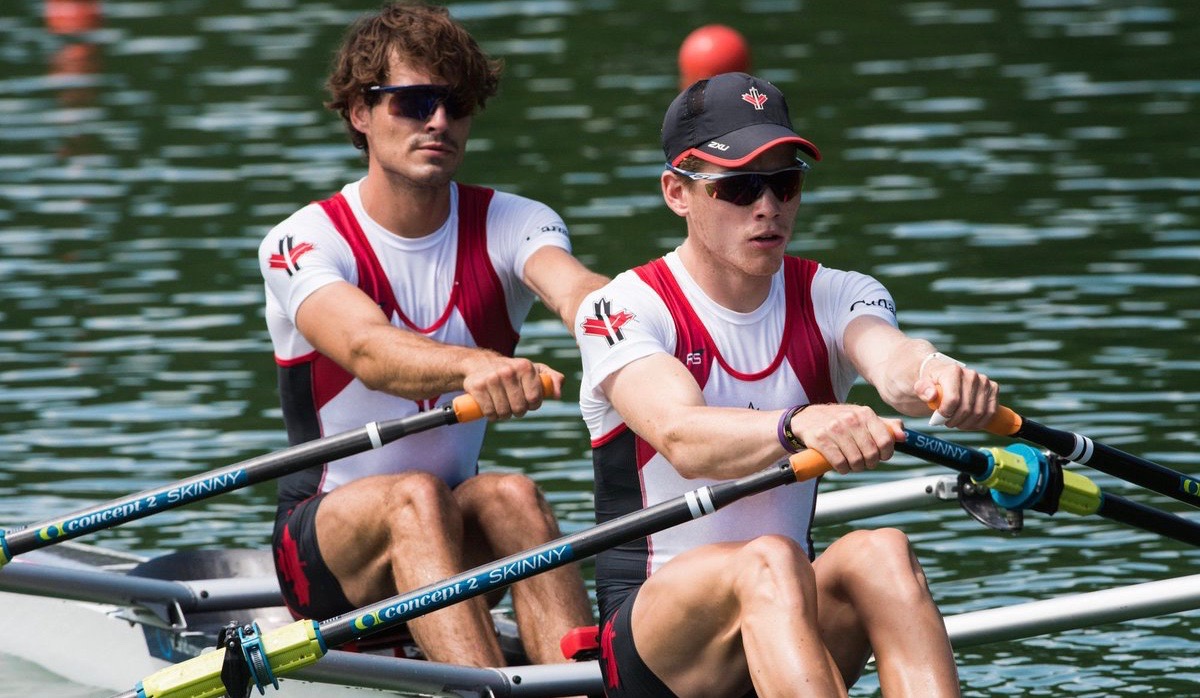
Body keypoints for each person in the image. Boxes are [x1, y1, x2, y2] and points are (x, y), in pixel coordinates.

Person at [575, 72, 999, 697]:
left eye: (785, 181)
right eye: (739, 186)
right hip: (656, 646)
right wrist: (796, 422)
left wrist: (936, 375)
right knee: (770, 558)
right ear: (677, 192)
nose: (767, 206)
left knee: (881, 550)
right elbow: (682, 435)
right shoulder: (621, 308)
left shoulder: (836, 293)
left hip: (786, 616)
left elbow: (893, 361)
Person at [258, 1, 603, 668]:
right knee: (415, 498)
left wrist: (636, 319)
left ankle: (579, 685)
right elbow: (367, 349)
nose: (438, 121)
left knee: (513, 494)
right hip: (326, 554)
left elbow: (578, 291)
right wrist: (475, 367)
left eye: (456, 102)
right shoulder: (304, 240)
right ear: (360, 113)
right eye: (413, 102)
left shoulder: (515, 222)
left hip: (449, 527)